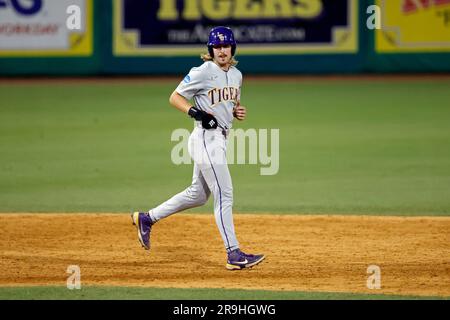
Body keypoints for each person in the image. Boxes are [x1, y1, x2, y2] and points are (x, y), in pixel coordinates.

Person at [131, 26, 265, 270]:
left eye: (226, 46)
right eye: (217, 46)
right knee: (224, 193)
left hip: (221, 138)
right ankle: (233, 253)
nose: (222, 51)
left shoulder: (237, 75)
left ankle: (146, 218)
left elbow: (230, 103)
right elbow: (175, 97)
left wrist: (236, 111)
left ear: (232, 48)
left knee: (198, 194)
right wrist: (196, 113)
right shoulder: (202, 71)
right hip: (205, 138)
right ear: (210, 50)